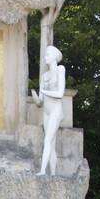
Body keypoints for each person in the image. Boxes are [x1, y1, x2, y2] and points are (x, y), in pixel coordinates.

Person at [30, 45, 67, 176]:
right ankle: (52, 174)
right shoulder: (44, 76)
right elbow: (40, 102)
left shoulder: (60, 69)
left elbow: (60, 94)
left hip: (56, 111)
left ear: (54, 57)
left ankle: (42, 171)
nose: (45, 57)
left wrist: (44, 91)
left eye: (47, 55)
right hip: (46, 112)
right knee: (51, 143)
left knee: (47, 140)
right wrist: (35, 97)